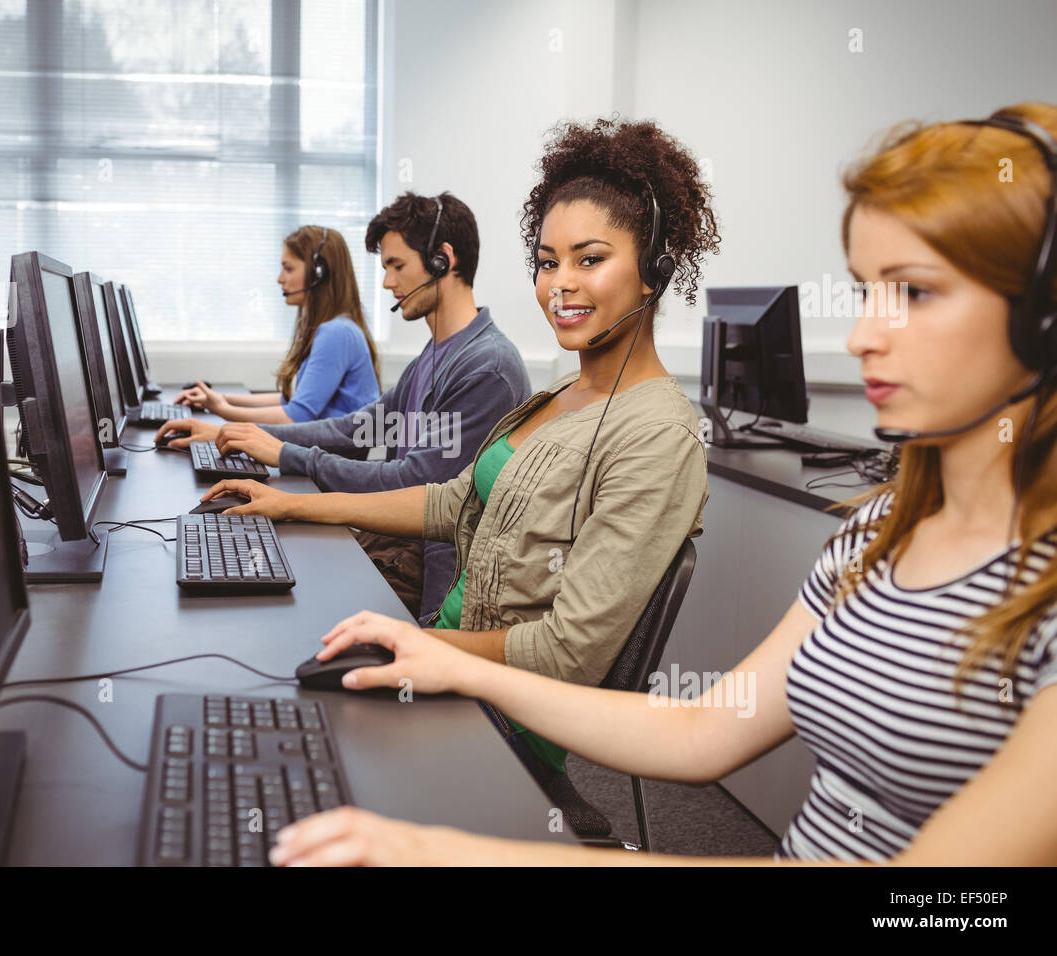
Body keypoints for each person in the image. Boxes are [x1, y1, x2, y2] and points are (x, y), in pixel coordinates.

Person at [261, 103, 1057, 866]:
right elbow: (707, 731)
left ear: (1043, 318)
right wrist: (442, 659)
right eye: (861, 292)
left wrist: (460, 854)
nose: (858, 337)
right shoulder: (877, 532)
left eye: (912, 292)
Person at [193, 117, 717, 775]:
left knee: (279, 735)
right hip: (445, 656)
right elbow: (447, 503)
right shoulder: (556, 400)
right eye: (548, 263)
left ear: (654, 272)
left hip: (498, 721)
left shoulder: (655, 437)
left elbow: (566, 653)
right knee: (259, 683)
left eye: (590, 259)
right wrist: (291, 505)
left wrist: (418, 643)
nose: (560, 284)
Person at [158, 192, 531, 624]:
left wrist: (285, 456)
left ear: (443, 260)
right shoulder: (434, 356)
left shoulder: (486, 369)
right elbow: (357, 429)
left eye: (397, 266)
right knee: (269, 557)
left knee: (285, 604)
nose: (389, 283)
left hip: (435, 583)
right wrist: (244, 437)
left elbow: (416, 484)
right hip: (399, 548)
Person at [173, 225, 380, 424]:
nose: (280, 279)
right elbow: (290, 400)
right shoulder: (334, 328)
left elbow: (294, 417)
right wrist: (219, 399)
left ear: (319, 274)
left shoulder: (337, 332)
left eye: (288, 269)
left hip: (331, 457)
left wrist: (222, 410)